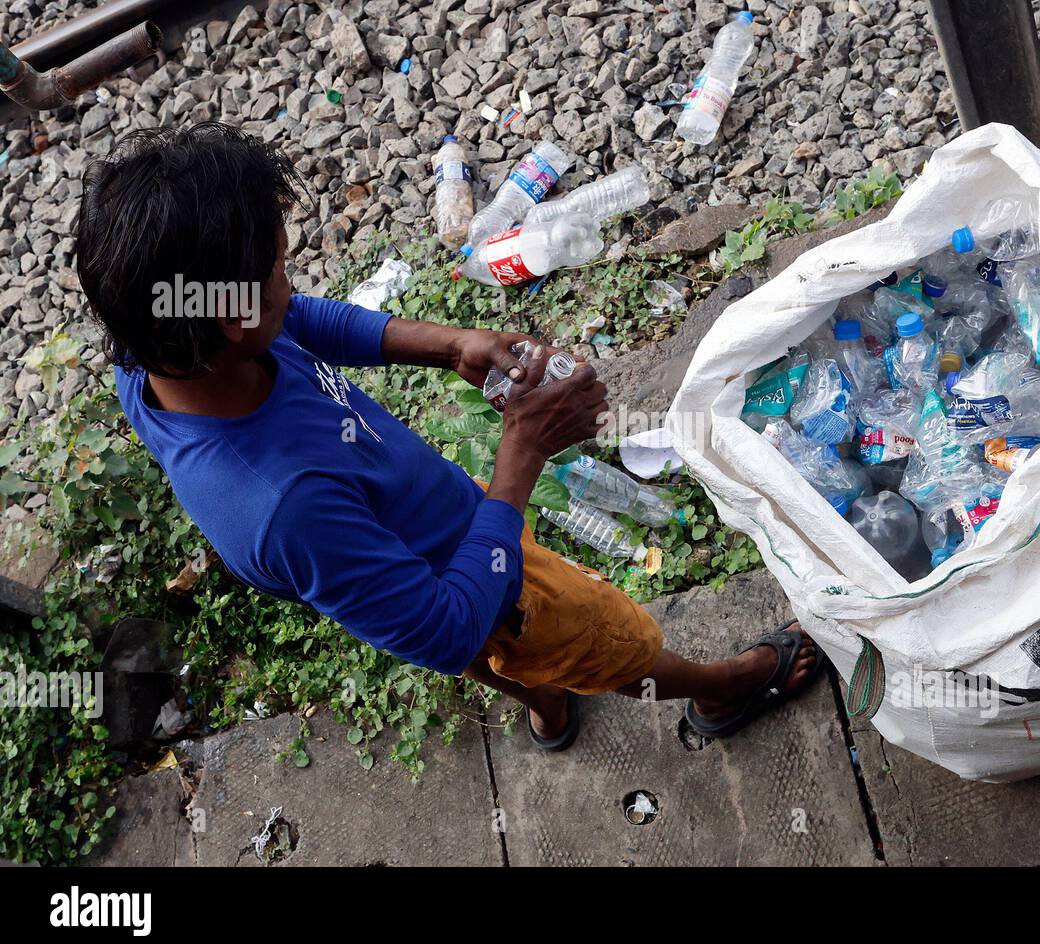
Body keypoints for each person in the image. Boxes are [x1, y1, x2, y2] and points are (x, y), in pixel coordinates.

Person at [75, 123, 823, 751]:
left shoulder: (158, 355)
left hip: (415, 546)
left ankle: (546, 702)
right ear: (235, 315)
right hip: (480, 582)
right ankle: (723, 690)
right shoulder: (285, 506)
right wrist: (521, 455)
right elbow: (447, 627)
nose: (288, 284)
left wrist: (448, 343)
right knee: (611, 641)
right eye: (277, 271)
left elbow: (298, 319)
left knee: (513, 661)